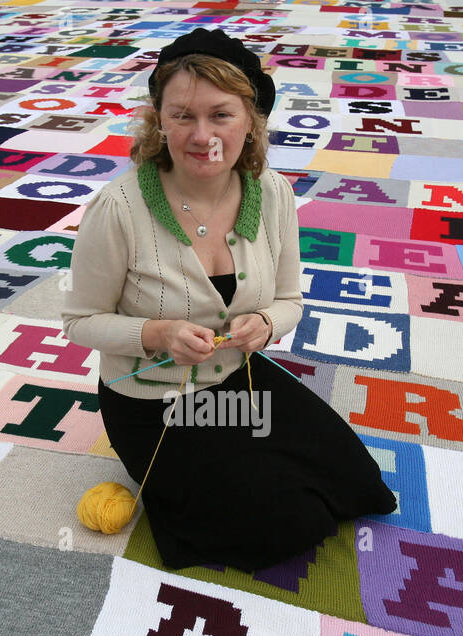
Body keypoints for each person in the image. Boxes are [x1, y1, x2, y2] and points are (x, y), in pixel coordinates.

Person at [62, 27, 395, 572]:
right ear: (158, 118)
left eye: (221, 115)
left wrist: (265, 324)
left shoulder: (273, 193)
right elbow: (79, 321)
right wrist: (155, 334)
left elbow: (290, 298)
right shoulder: (118, 208)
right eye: (182, 115)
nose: (203, 135)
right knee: (286, 524)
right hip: (152, 405)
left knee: (355, 481)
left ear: (251, 120)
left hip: (234, 380)